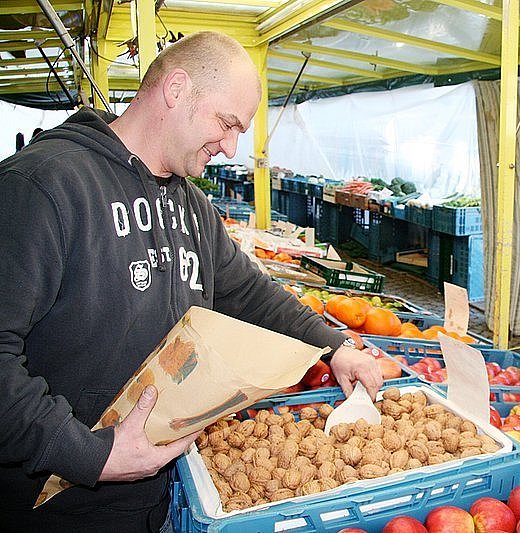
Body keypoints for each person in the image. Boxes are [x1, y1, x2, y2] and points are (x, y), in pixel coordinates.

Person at [0, 31, 382, 531]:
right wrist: (87, 453)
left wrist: (336, 347)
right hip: (55, 507)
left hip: (158, 494)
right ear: (176, 89)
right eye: (227, 124)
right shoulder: (44, 187)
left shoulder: (191, 206)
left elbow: (249, 292)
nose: (230, 146)